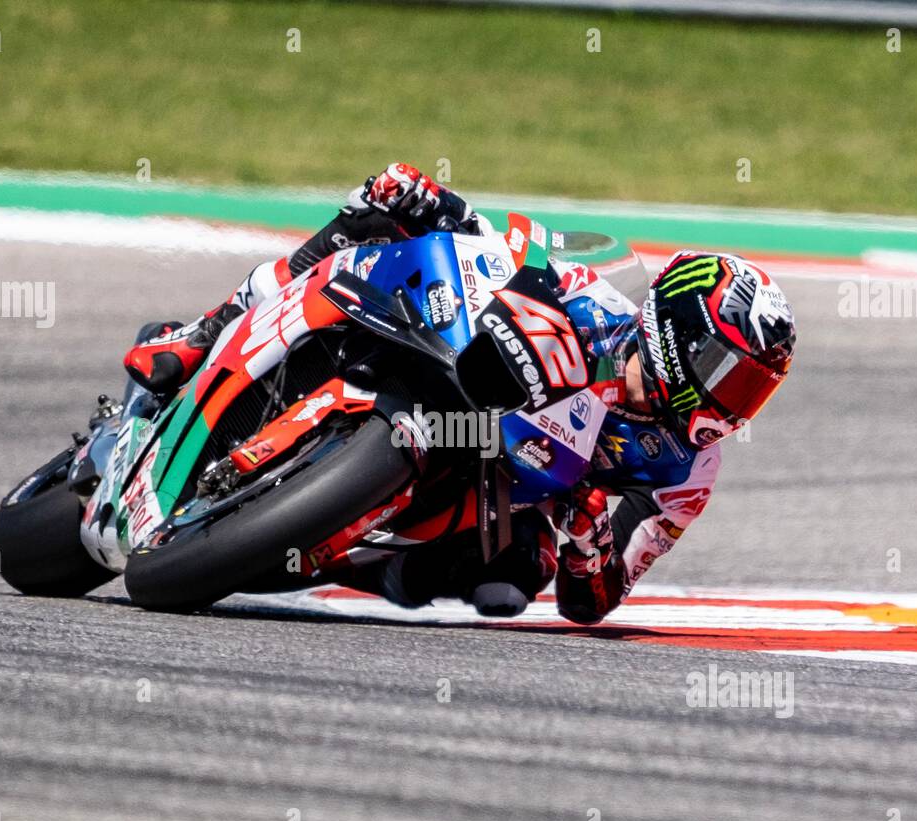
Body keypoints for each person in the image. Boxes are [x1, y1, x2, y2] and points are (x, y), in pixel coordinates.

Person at [124, 164, 796, 623]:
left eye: (754, 391)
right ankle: (204, 330)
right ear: (681, 330)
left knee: (512, 579)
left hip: (508, 480)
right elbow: (516, 245)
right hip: (462, 361)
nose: (735, 404)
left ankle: (345, 554)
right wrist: (440, 205)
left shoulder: (688, 471)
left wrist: (588, 533)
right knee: (384, 215)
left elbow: (593, 600)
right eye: (730, 376)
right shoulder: (604, 280)